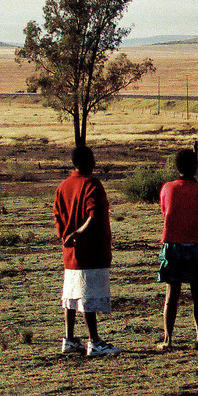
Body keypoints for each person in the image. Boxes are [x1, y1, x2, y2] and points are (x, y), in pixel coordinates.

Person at [53, 144, 119, 357]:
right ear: (87, 162)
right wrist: (80, 233)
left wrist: (67, 236)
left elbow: (58, 216)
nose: (95, 163)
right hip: (91, 250)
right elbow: (94, 213)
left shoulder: (63, 186)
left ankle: (70, 339)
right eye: (93, 159)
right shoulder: (92, 184)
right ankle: (94, 341)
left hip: (70, 252)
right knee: (87, 295)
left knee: (71, 295)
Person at [156, 147, 198, 350]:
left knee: (172, 294)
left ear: (176, 167)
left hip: (173, 244)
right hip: (197, 244)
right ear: (195, 167)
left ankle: (168, 339)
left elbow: (165, 213)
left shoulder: (167, 188)